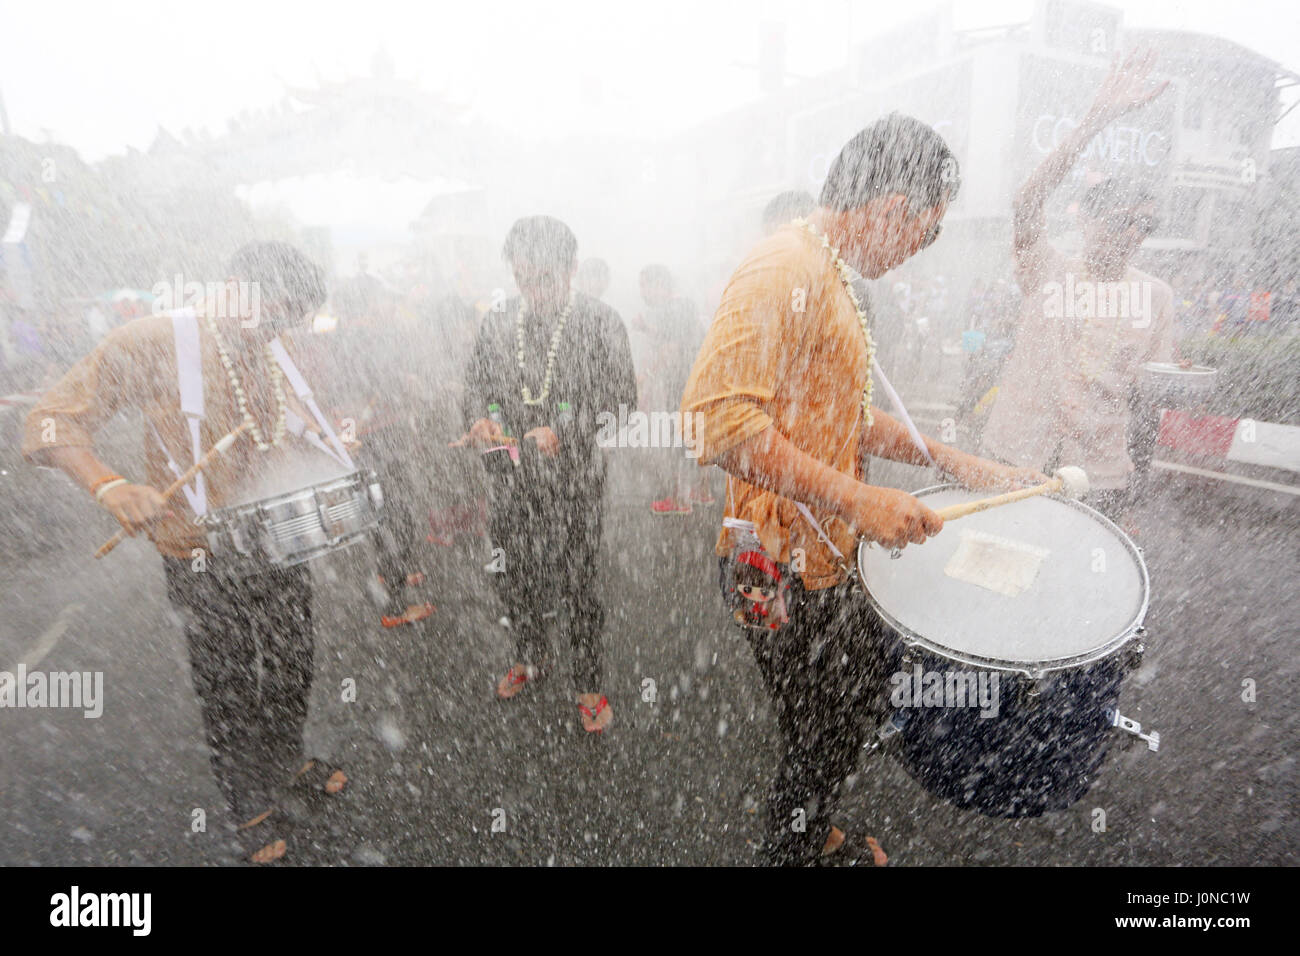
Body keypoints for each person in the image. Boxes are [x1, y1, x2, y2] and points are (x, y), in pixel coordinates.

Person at [681, 114, 1045, 866]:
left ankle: (807, 831)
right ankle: (795, 849)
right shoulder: (783, 266)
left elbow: (842, 415)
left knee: (839, 714)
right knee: (826, 728)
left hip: (820, 558)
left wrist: (952, 461)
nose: (921, 249)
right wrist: (857, 499)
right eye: (929, 231)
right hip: (772, 565)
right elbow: (718, 426)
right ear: (891, 209)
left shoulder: (831, 273)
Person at [23, 241, 350, 863]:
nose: (281, 328)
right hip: (198, 551)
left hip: (276, 541)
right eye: (276, 312)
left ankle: (285, 762)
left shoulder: (269, 344)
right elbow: (50, 420)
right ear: (237, 288)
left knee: (289, 664)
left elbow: (284, 426)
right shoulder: (157, 338)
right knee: (225, 683)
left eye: (291, 318)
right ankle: (246, 802)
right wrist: (112, 485)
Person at [453, 216, 636, 733]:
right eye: (524, 278)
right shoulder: (497, 320)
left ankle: (588, 681)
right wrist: (480, 417)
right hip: (510, 479)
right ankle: (530, 656)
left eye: (546, 279)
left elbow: (622, 401)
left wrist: (566, 430)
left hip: (575, 478)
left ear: (572, 269)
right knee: (515, 575)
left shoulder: (601, 321)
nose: (534, 292)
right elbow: (476, 386)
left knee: (578, 581)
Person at [981, 50, 1177, 521]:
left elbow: (1149, 399)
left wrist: (1136, 484)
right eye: (1121, 221)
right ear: (1086, 220)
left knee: (1079, 586)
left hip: (1099, 473)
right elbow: (1027, 201)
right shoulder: (1047, 269)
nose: (1133, 235)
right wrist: (1096, 119)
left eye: (1144, 226)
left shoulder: (1156, 297)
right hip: (1014, 454)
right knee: (998, 564)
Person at [633, 264, 710, 514]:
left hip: (681, 382)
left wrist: (647, 375)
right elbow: (679, 336)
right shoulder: (684, 305)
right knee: (695, 435)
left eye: (645, 285)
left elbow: (672, 348)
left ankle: (679, 500)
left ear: (661, 286)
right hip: (697, 379)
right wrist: (647, 329)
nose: (643, 292)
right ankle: (701, 490)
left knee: (678, 439)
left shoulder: (670, 308)